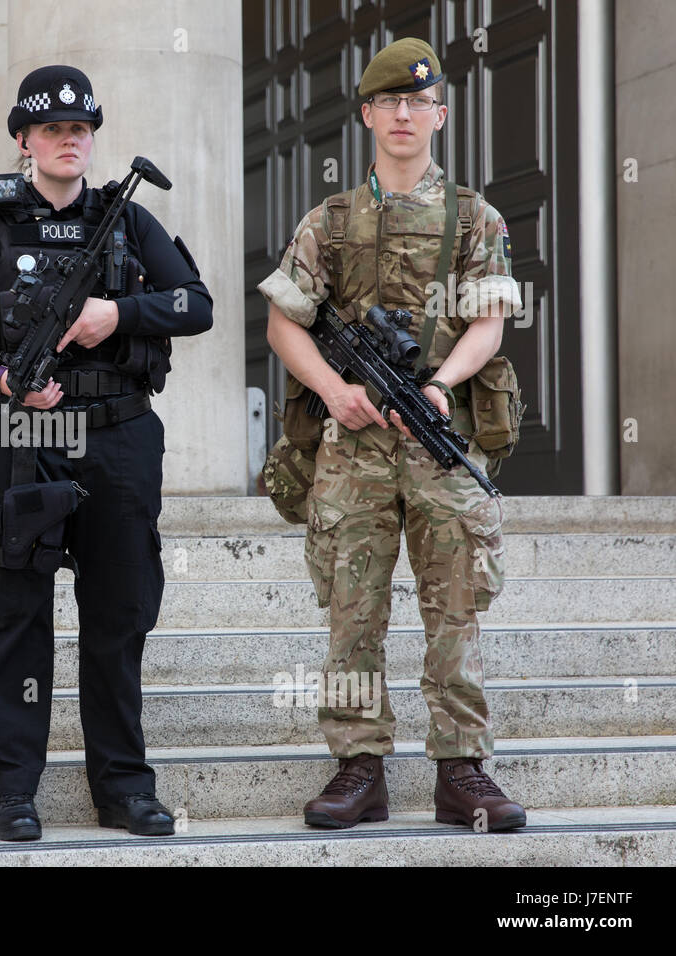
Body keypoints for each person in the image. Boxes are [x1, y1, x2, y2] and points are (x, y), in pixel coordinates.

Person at [0, 64, 213, 841]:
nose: (69, 141)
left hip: (117, 432)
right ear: (25, 140)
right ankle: (13, 791)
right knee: (18, 609)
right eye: (53, 130)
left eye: (81, 129)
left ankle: (124, 789)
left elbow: (195, 304)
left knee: (119, 612)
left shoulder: (127, 219)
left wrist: (118, 313)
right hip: (22, 433)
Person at [257, 38, 527, 831]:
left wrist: (441, 386)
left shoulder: (476, 217)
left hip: (440, 440)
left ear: (439, 114)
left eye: (419, 102)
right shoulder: (330, 220)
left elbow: (491, 321)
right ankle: (358, 767)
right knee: (352, 611)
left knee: (455, 610)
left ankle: (463, 770)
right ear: (369, 115)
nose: (404, 114)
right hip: (353, 447)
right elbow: (283, 323)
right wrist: (335, 391)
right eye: (389, 102)